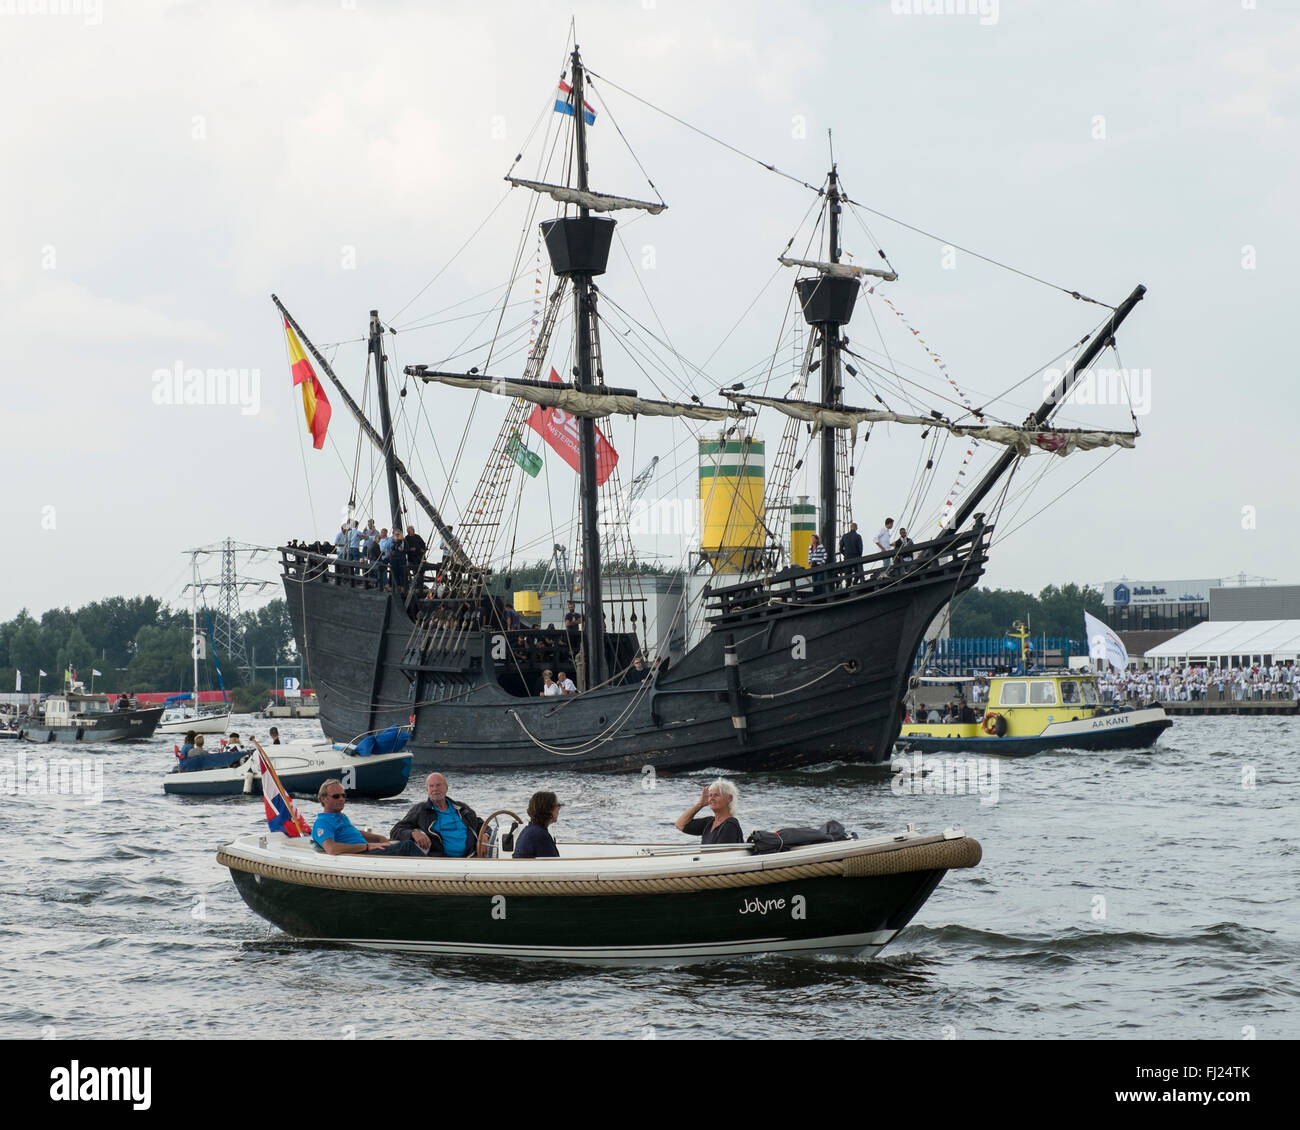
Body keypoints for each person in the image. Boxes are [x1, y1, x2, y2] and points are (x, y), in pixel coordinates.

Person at [313, 779, 426, 856]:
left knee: (406, 842)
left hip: (367, 851)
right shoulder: (322, 823)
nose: (341, 799)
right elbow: (332, 849)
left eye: (343, 795)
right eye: (336, 796)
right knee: (407, 846)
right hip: (361, 856)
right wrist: (367, 846)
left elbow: (353, 833)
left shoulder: (341, 817)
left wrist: (377, 838)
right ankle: (432, 871)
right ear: (324, 799)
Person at [388, 772, 484, 857]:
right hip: (438, 860)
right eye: (431, 786)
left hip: (470, 857)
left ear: (446, 788)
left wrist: (485, 835)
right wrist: (413, 834)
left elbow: (481, 824)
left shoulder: (462, 808)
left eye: (438, 785)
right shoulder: (421, 810)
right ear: (427, 790)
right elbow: (396, 830)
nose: (435, 789)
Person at [675, 780, 743, 845]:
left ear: (729, 798)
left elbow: (722, 854)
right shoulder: (709, 822)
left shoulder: (730, 825)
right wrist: (700, 804)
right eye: (710, 795)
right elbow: (680, 825)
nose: (712, 798)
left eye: (716, 795)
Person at [512, 791, 561, 859]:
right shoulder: (540, 835)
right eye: (558, 806)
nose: (558, 809)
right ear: (548, 810)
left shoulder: (528, 831)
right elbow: (555, 864)